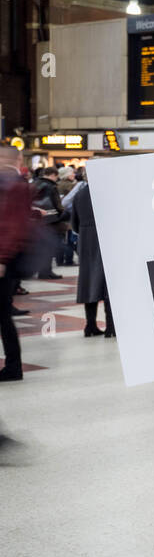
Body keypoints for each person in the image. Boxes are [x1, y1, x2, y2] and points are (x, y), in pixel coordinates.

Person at [67, 171, 113, 338]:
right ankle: (111, 327)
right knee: (109, 284)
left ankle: (90, 325)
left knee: (89, 282)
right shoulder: (109, 193)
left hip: (86, 242)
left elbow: (74, 223)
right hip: (106, 238)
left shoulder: (80, 194)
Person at [0, 146, 29, 382]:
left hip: (5, 260)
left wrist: (2, 258)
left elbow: (13, 225)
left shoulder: (15, 184)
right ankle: (13, 365)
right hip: (6, 257)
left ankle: (13, 366)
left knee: (2, 314)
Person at [30, 167, 65, 279]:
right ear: (53, 175)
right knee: (49, 247)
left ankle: (42, 270)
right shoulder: (51, 186)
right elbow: (57, 204)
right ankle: (46, 271)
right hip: (50, 219)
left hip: (36, 219)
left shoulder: (34, 183)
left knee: (40, 247)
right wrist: (63, 214)